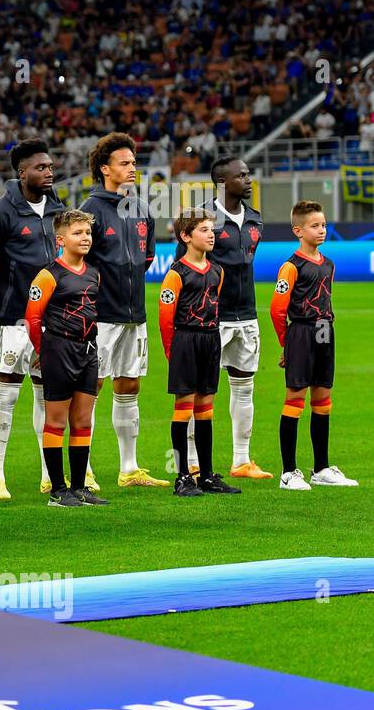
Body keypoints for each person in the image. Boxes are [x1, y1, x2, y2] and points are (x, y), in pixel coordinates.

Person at [0, 137, 71, 499]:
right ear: (22, 172)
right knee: (7, 395)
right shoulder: (1, 213)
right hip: (15, 319)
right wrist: (3, 310)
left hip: (54, 320)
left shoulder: (57, 207)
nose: (49, 173)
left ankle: (49, 474)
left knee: (47, 396)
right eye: (41, 168)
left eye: (50, 166)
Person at [81, 131, 168, 490]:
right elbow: (78, 263)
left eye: (134, 162)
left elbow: (145, 258)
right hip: (100, 315)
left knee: (129, 385)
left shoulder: (142, 208)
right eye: (125, 163)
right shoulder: (89, 210)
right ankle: (81, 466)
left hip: (134, 313)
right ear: (105, 169)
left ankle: (129, 468)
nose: (133, 168)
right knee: (90, 387)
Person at [175, 156, 270, 479]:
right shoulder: (203, 219)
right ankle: (190, 460)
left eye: (248, 173)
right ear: (222, 182)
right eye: (241, 175)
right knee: (198, 393)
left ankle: (241, 461)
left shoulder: (255, 219)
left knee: (244, 387)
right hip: (209, 321)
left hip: (247, 316)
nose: (248, 179)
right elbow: (184, 268)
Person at [25, 210, 108, 509]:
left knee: (83, 420)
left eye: (87, 232)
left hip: (88, 351)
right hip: (59, 350)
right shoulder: (48, 275)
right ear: (60, 240)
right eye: (78, 233)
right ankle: (58, 490)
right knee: (56, 421)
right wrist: (42, 350)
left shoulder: (93, 272)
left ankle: (79, 487)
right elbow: (32, 317)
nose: (85, 237)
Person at [271, 202, 357, 490]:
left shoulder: (329, 264)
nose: (321, 230)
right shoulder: (291, 267)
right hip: (302, 332)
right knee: (295, 398)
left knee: (323, 398)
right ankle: (288, 472)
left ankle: (321, 468)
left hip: (324, 332)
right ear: (298, 230)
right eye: (314, 226)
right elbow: (277, 310)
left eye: (323, 225)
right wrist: (287, 344)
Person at [158, 209, 240, 498]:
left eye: (212, 229)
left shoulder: (218, 272)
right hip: (185, 339)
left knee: (206, 408)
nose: (211, 235)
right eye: (204, 230)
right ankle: (181, 476)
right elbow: (165, 318)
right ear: (185, 236)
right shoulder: (176, 274)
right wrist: (173, 351)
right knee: (184, 407)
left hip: (210, 340)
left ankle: (206, 475)